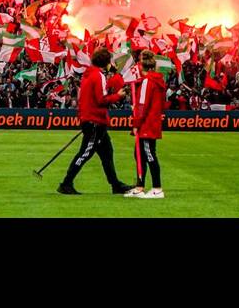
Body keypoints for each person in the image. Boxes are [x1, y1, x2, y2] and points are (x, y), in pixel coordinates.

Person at [58, 48, 134, 195]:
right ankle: (66, 183)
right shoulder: (98, 76)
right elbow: (101, 100)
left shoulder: (89, 74)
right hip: (95, 121)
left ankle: (115, 184)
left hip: (91, 118)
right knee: (85, 153)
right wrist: (117, 96)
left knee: (107, 153)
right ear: (106, 62)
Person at [126, 50, 167, 199]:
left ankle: (157, 188)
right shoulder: (157, 81)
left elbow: (143, 105)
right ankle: (140, 186)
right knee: (140, 155)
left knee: (148, 154)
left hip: (147, 124)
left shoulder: (147, 81)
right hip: (151, 122)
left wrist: (136, 123)